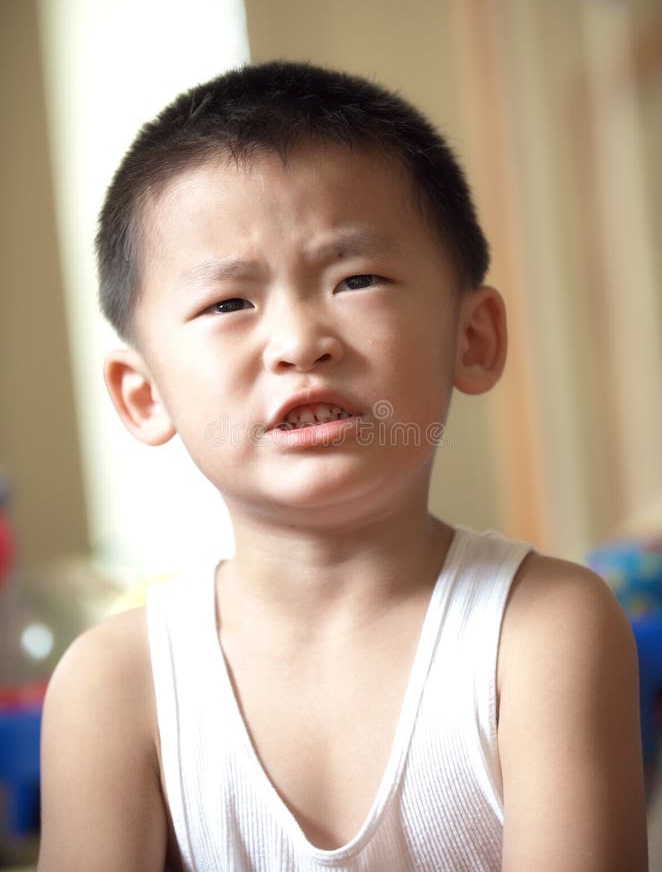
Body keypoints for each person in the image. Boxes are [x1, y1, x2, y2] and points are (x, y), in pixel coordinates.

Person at [37, 61, 648, 871]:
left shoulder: (539, 633)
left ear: (474, 338)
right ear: (143, 393)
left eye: (356, 279)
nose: (299, 344)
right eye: (229, 303)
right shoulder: (117, 685)